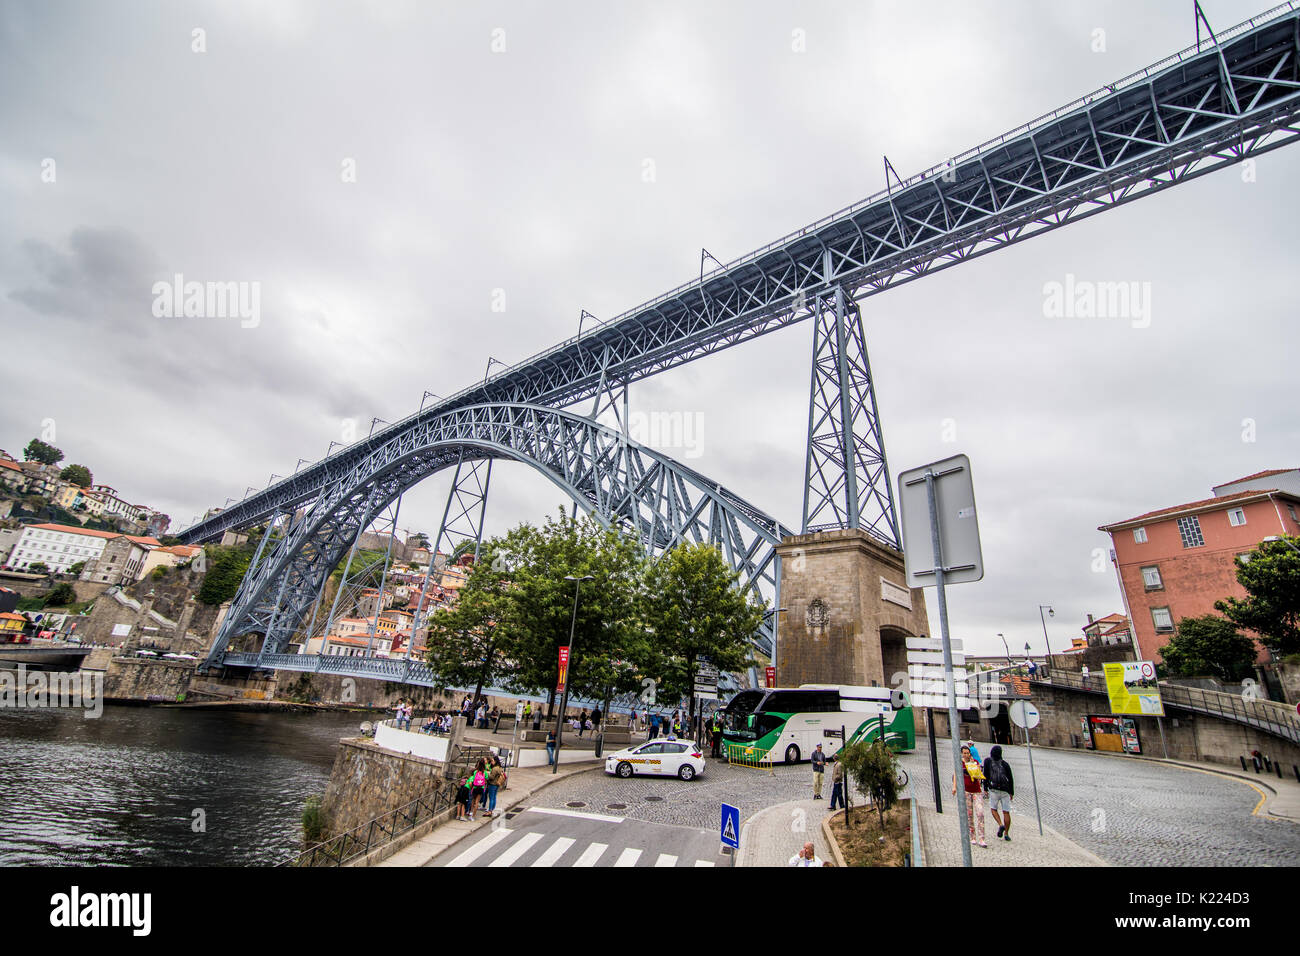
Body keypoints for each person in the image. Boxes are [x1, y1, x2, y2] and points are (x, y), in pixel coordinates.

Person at [951, 744, 987, 847]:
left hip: (976, 791)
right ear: (961, 754)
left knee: (980, 814)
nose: (966, 755)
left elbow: (979, 775)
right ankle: (973, 837)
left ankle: (982, 838)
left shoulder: (975, 762)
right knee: (969, 815)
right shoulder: (959, 763)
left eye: (968, 753)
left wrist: (975, 767)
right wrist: (954, 788)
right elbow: (956, 776)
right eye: (965, 753)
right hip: (966, 791)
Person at [983, 744, 1015, 841]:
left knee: (993, 809)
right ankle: (1006, 834)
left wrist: (985, 788)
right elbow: (1010, 778)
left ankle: (1000, 824)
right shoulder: (1005, 764)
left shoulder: (987, 761)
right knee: (1006, 812)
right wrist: (1011, 792)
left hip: (993, 789)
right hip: (1005, 790)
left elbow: (985, 775)